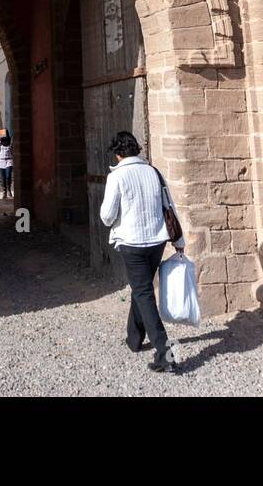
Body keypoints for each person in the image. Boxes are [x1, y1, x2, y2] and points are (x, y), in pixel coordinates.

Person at [99, 130, 185, 374]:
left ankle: (164, 351)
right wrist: (179, 239)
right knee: (143, 288)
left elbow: (106, 217)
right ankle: (134, 339)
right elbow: (169, 206)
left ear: (117, 155)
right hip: (157, 241)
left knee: (143, 292)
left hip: (132, 242)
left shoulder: (117, 176)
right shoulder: (154, 172)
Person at [0, 128, 13, 199]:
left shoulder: (10, 141)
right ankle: (4, 191)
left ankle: (9, 190)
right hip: (1, 161)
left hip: (9, 161)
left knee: (8, 176)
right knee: (3, 177)